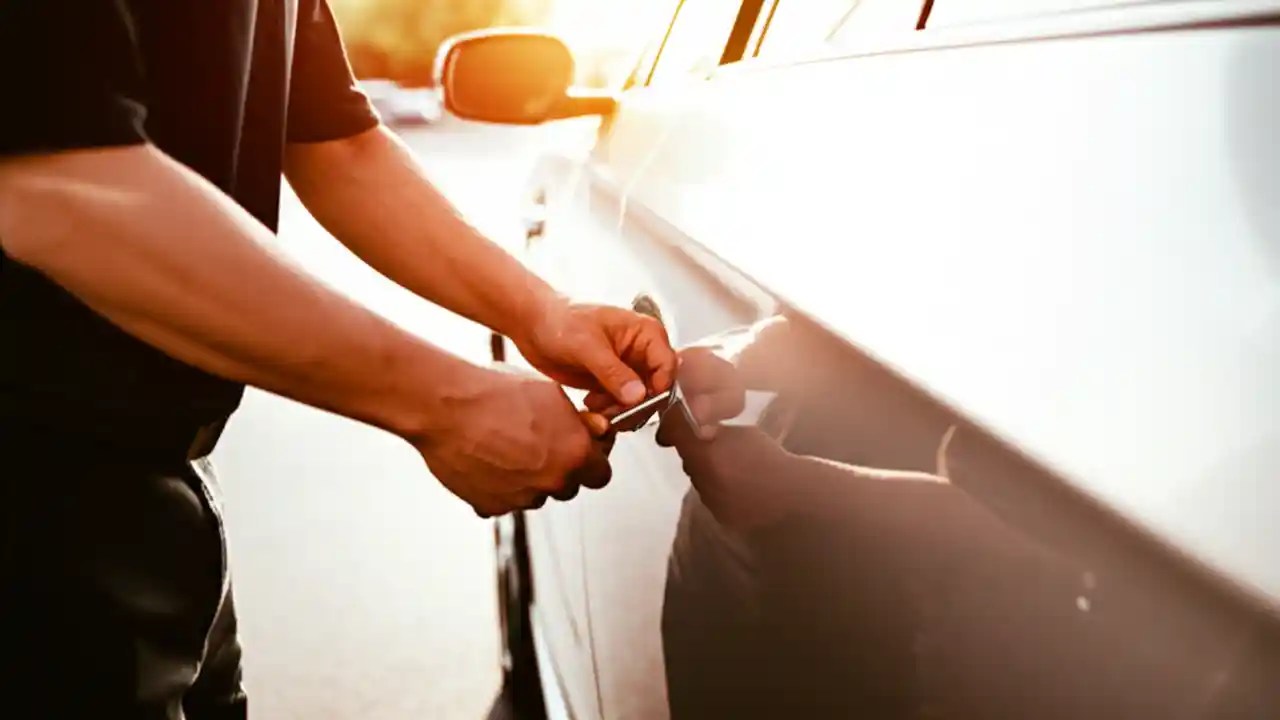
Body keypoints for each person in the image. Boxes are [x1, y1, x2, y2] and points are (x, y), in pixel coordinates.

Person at [0, 1, 675, 717]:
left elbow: (334, 141)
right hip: (33, 504)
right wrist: (445, 401)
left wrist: (542, 311)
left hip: (162, 492)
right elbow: (58, 182)